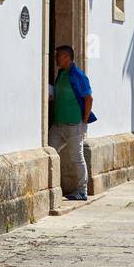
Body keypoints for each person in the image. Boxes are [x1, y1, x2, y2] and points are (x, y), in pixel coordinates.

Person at [47, 44, 95, 201]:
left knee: (77, 157)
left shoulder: (78, 75)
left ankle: (82, 191)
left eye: (58, 56)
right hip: (58, 125)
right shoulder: (61, 74)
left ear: (67, 57)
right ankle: (52, 188)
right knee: (49, 152)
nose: (56, 59)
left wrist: (84, 121)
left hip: (74, 125)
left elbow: (89, 98)